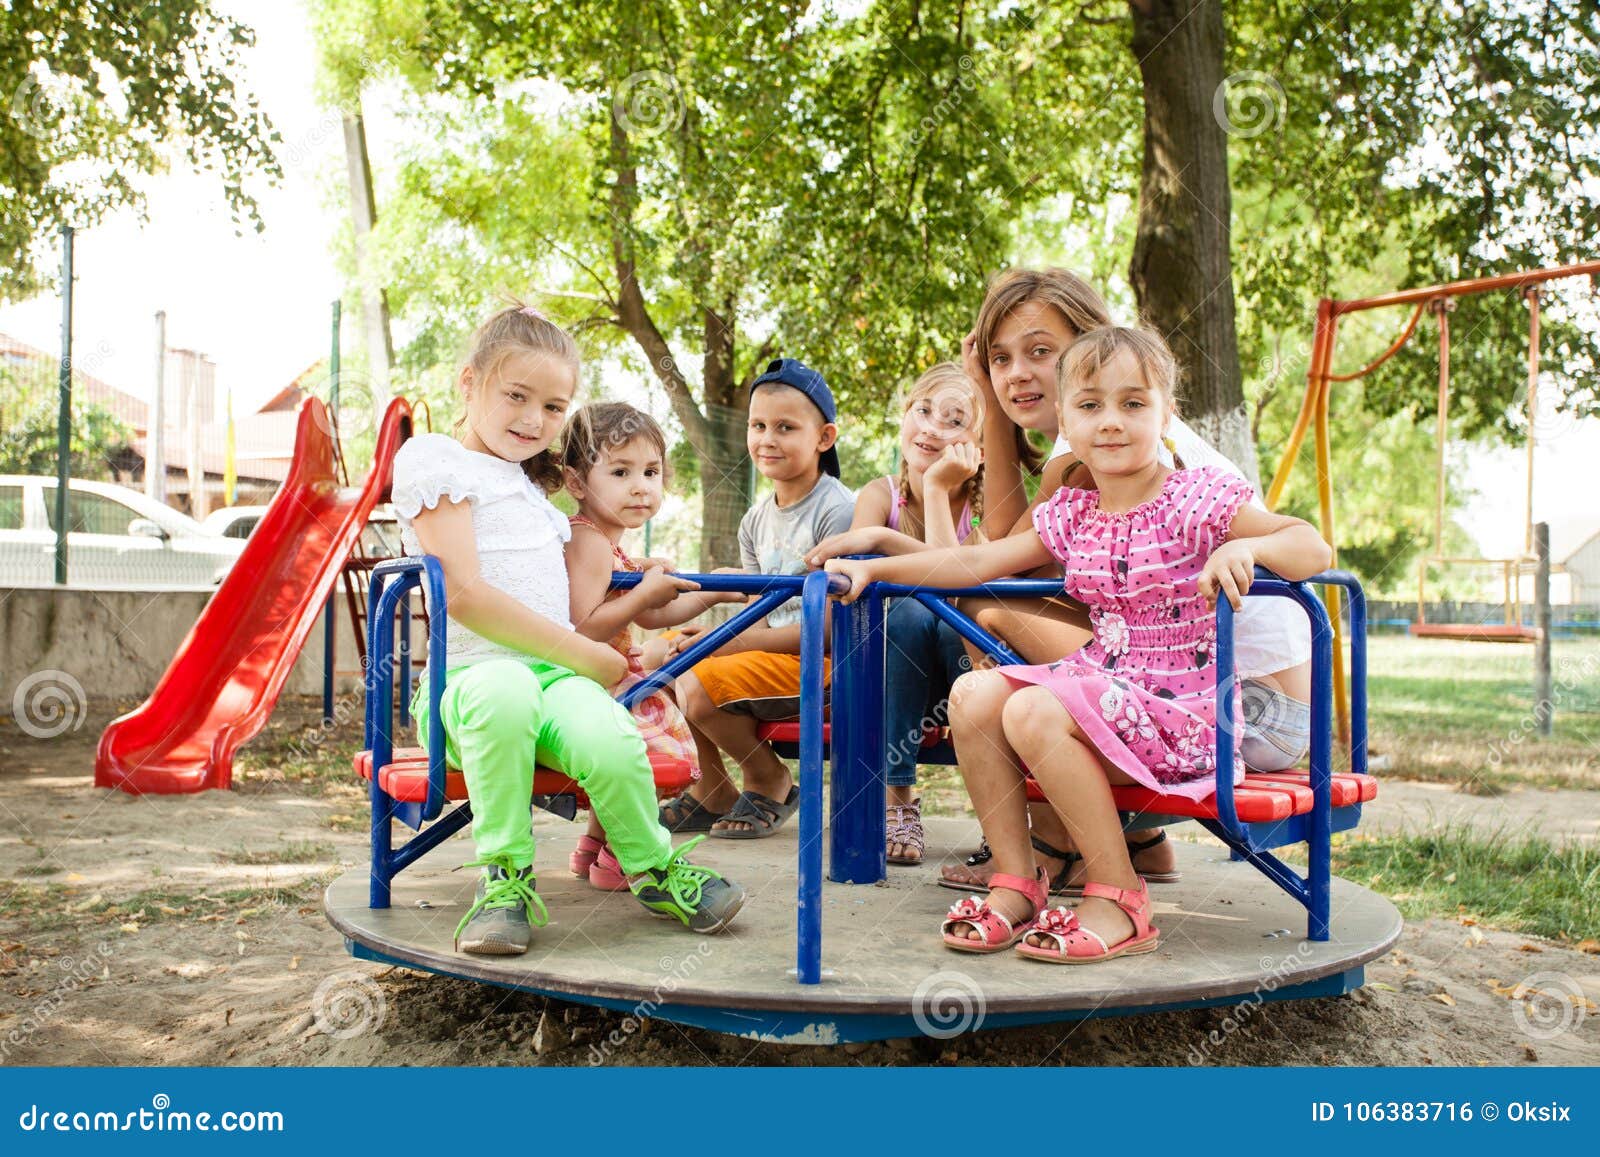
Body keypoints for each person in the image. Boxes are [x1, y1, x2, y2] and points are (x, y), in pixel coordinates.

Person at [825, 326, 1332, 963]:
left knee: (1031, 707)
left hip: (1188, 713)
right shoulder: (1072, 513)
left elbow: (1311, 546)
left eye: (1133, 404)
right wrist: (878, 568)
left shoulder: (1195, 500)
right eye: (1091, 406)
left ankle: (1120, 894)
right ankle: (1017, 881)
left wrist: (1245, 546)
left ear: (1166, 413)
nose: (1112, 422)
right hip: (1107, 688)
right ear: (1064, 418)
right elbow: (976, 563)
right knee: (974, 693)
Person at [941, 266, 1312, 896]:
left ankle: (1058, 838)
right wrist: (984, 394)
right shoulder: (1102, 431)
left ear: (1091, 351)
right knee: (1011, 632)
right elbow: (1016, 547)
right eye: (998, 359)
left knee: (989, 609)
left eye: (1040, 352)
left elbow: (1003, 554)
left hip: (1249, 712)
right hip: (1229, 697)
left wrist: (991, 411)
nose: (1017, 374)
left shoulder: (1103, 440)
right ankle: (1138, 838)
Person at [391, 304, 744, 955]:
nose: (534, 419)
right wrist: (584, 651)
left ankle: (653, 867)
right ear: (468, 384)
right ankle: (504, 880)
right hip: (466, 680)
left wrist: (645, 583)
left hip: (554, 677)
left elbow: (592, 561)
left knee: (607, 732)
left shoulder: (532, 491)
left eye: (553, 407)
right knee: (505, 694)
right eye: (516, 396)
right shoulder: (434, 458)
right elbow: (465, 594)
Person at [659, 358, 855, 838]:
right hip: (777, 655)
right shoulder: (755, 520)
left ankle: (768, 778)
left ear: (823, 438)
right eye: (758, 425)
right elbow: (757, 616)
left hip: (830, 664)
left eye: (785, 427)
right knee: (661, 656)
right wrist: (714, 637)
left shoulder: (839, 509)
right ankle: (713, 787)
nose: (767, 438)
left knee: (699, 681)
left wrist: (726, 645)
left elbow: (832, 626)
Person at [806, 362, 987, 865]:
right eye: (922, 410)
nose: (931, 427)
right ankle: (898, 798)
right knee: (905, 613)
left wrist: (888, 539)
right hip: (890, 665)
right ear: (904, 417)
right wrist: (884, 543)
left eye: (953, 420)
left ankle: (998, 810)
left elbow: (958, 586)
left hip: (961, 667)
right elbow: (863, 575)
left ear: (978, 446)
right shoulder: (880, 494)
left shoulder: (985, 504)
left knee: (958, 624)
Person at [561, 401, 743, 889]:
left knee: (639, 751)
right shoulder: (588, 541)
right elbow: (584, 626)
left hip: (611, 675)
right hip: (590, 681)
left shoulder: (610, 542)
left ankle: (593, 848)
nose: (640, 485)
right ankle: (626, 855)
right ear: (577, 483)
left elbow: (652, 613)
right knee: (645, 758)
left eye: (651, 471)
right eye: (620, 472)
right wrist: (643, 590)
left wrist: (714, 591)